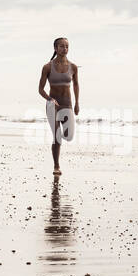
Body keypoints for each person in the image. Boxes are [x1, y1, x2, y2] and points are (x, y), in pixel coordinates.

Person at [37, 36, 79, 175]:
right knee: (57, 136)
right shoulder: (47, 67)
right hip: (52, 105)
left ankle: (59, 141)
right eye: (61, 46)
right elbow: (40, 89)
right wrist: (50, 99)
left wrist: (77, 103)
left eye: (66, 46)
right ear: (55, 48)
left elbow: (76, 84)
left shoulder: (73, 67)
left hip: (67, 105)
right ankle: (56, 166)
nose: (64, 49)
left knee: (69, 136)